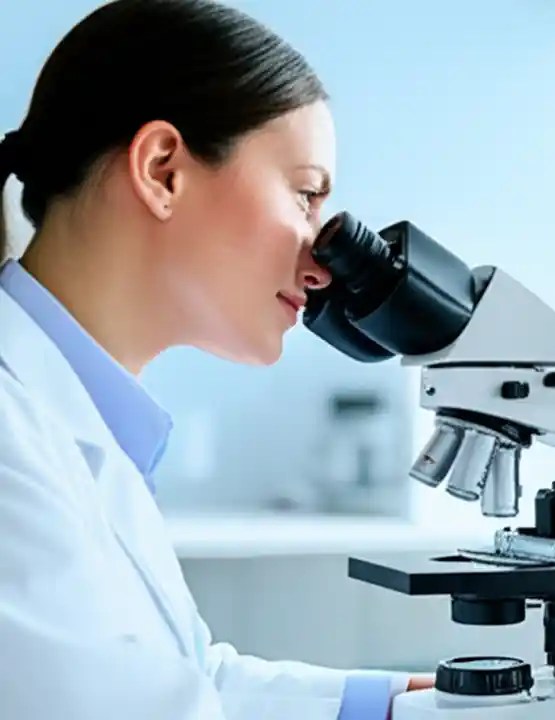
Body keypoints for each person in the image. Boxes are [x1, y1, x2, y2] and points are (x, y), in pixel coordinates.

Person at [0, 1, 434, 718]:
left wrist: (399, 706)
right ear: (164, 170)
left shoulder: (83, 424)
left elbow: (189, 679)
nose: (320, 263)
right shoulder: (15, 438)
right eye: (304, 194)